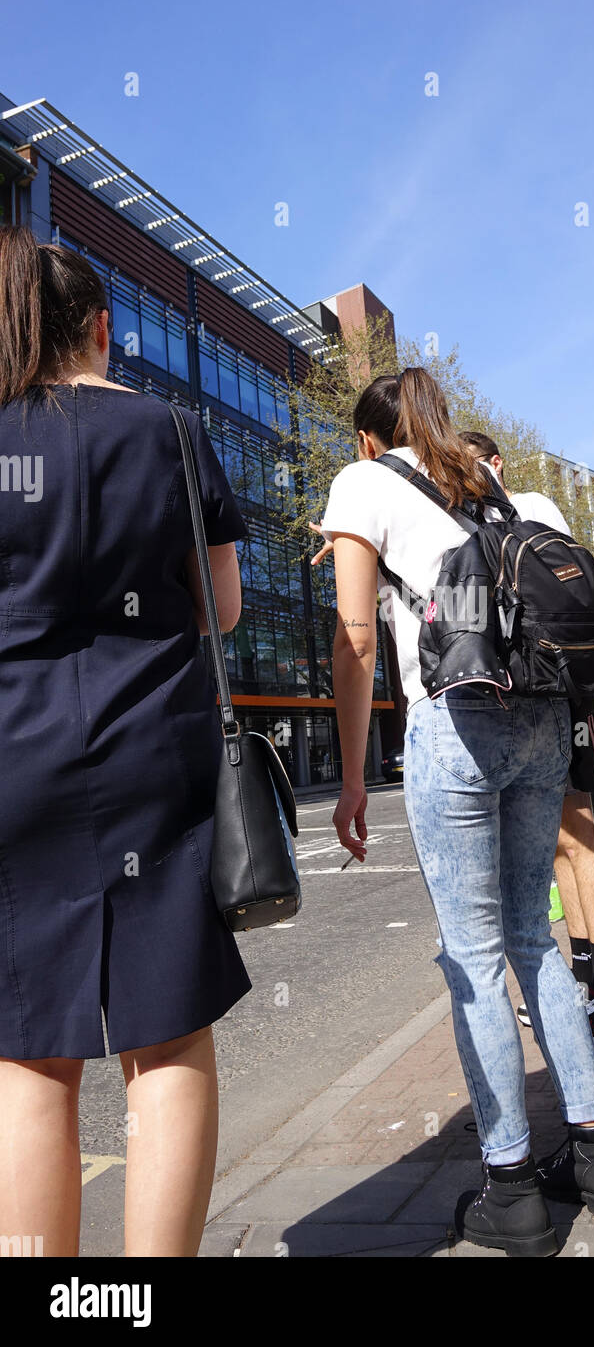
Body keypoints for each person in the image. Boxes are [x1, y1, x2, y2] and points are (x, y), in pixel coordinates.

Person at [320, 368, 594, 1256]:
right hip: (540, 726)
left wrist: (353, 775)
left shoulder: (363, 481)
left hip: (455, 728)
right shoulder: (482, 479)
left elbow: (352, 640)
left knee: (473, 953)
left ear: (369, 438)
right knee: (535, 940)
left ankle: (511, 1185)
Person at [0, 226, 252, 1257]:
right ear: (102, 329)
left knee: (24, 1052)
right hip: (153, 751)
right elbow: (225, 608)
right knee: (166, 1033)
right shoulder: (170, 429)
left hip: (12, 759)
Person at [458, 432, 594, 1047]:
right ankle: (588, 977)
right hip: (534, 697)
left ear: (493, 463)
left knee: (580, 841)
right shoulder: (476, 519)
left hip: (560, 696)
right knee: (558, 846)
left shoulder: (528, 505)